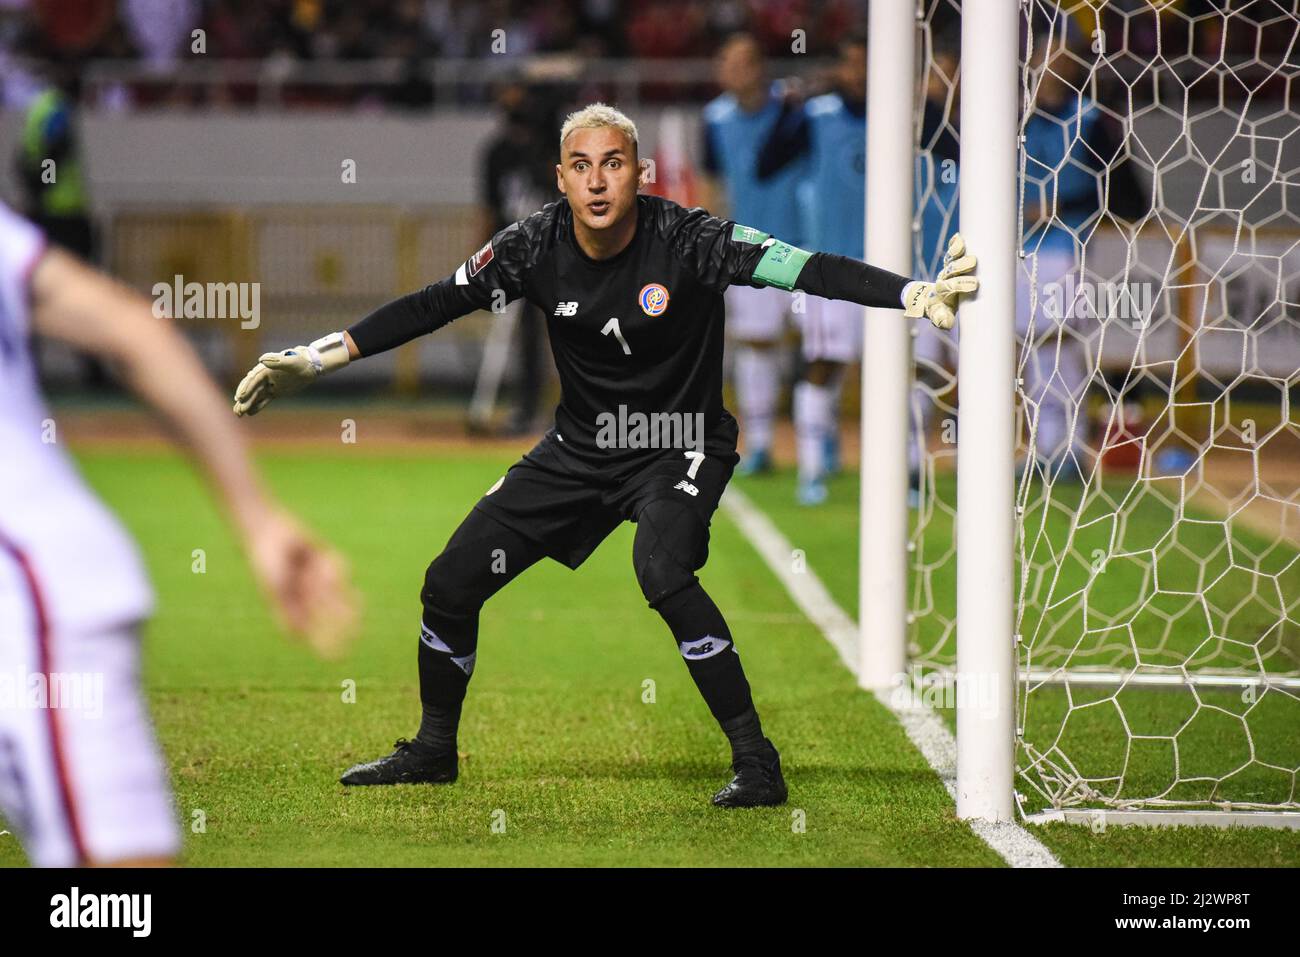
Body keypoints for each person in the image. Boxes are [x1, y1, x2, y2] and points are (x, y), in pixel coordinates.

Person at [233, 103, 976, 807]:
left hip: (678, 445)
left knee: (661, 566)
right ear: (560, 177)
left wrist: (911, 292)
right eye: (580, 165)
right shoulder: (531, 245)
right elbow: (434, 303)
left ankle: (757, 760)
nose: (596, 179)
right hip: (582, 448)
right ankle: (433, 748)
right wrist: (322, 355)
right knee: (450, 581)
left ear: (640, 172)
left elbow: (806, 268)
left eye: (613, 163)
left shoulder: (691, 240)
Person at [0, 202, 356, 866]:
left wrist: (260, 520)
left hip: (30, 603)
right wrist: (259, 520)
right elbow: (135, 329)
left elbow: (132, 332)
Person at [756, 33, 869, 505]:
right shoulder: (817, 117)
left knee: (911, 372)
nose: (858, 74)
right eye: (851, 64)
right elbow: (767, 164)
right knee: (822, 362)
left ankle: (909, 473)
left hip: (899, 264)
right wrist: (789, 108)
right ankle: (810, 470)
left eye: (866, 64)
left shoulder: (908, 116)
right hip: (832, 268)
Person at [700, 32, 808, 477]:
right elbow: (712, 182)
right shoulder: (714, 119)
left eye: (743, 61)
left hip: (806, 246)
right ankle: (761, 445)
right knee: (756, 345)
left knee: (824, 351)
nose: (733, 70)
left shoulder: (796, 112)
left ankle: (820, 447)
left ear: (761, 65)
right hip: (750, 250)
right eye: (726, 62)